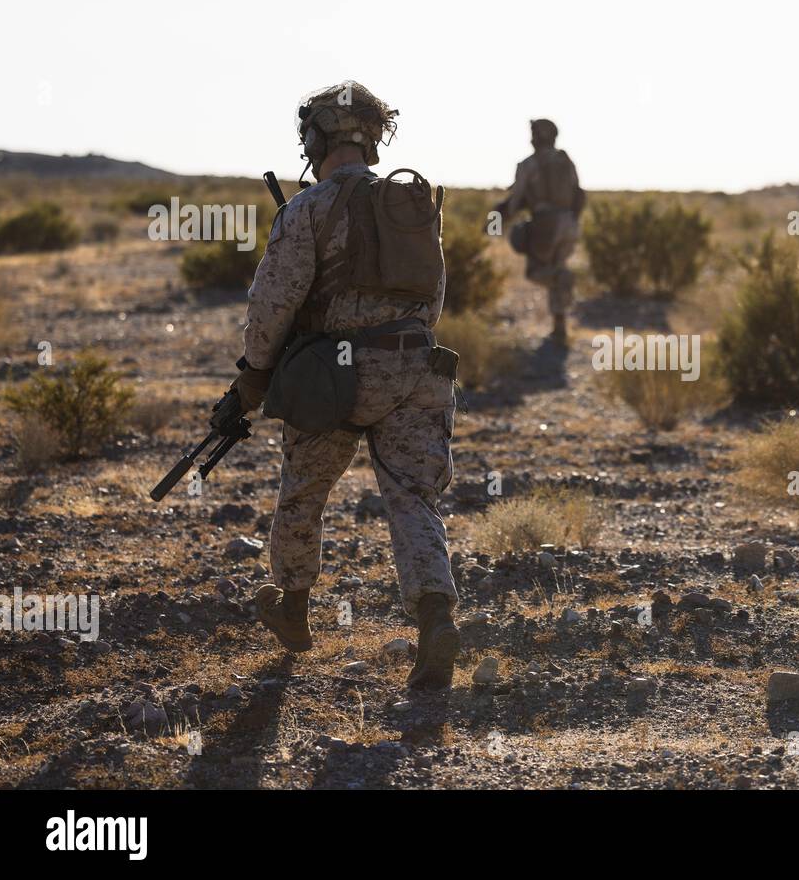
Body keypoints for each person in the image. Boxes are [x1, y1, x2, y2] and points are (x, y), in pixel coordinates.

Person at [232, 81, 460, 690]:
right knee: (414, 498)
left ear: (315, 139)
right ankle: (435, 619)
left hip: (332, 379)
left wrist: (253, 379)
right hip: (415, 370)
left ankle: (295, 610)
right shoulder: (414, 204)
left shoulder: (305, 211)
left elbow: (271, 306)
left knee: (303, 492)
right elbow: (432, 301)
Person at [493, 118, 585, 343]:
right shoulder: (565, 160)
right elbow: (578, 192)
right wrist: (572, 220)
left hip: (546, 224)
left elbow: (516, 200)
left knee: (537, 271)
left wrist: (496, 219)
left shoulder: (529, 164)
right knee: (558, 266)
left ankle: (561, 282)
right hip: (570, 223)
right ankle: (559, 326)